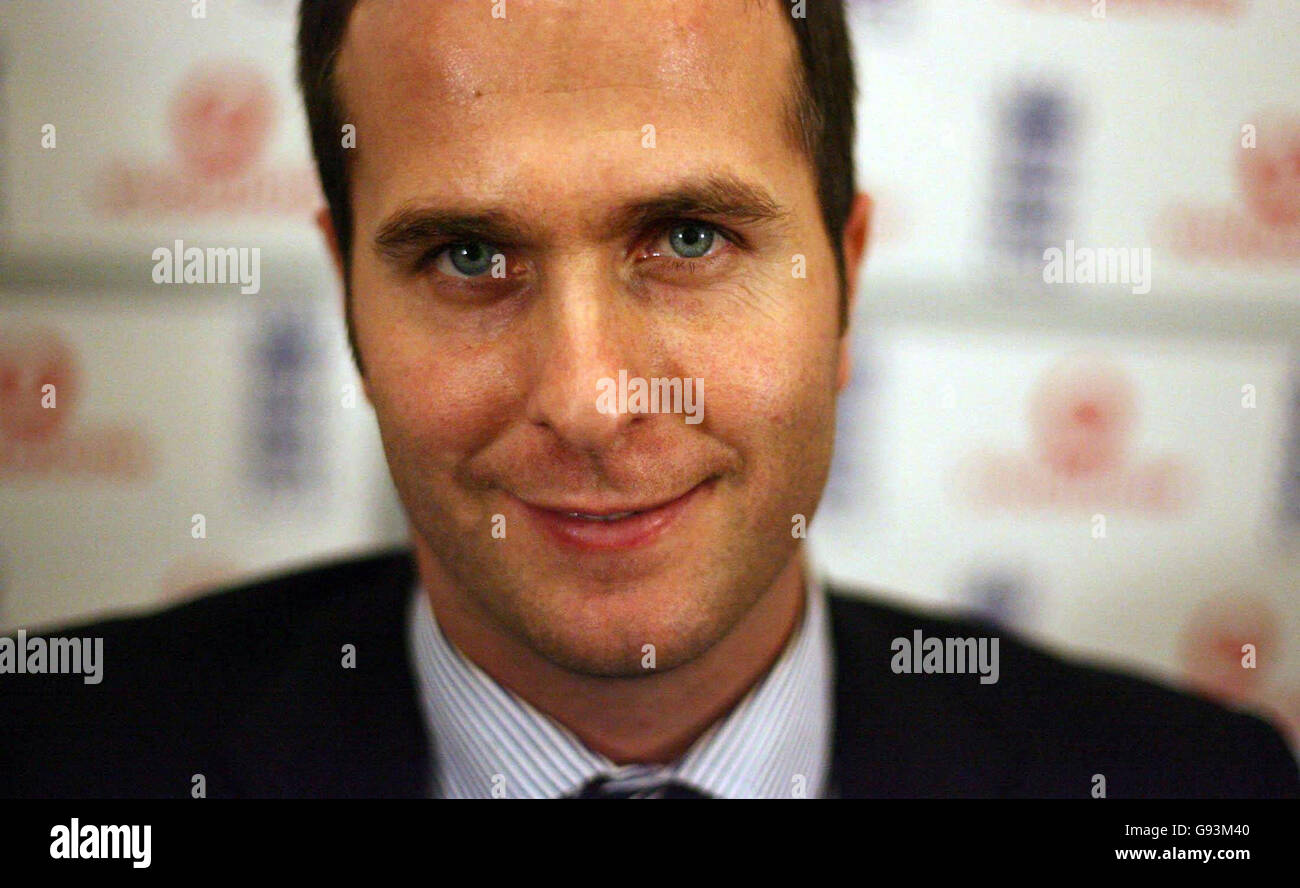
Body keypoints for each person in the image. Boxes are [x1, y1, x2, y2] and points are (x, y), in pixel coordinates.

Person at [2, 0, 1296, 799]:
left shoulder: (1193, 794)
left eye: (685, 238)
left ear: (844, 274)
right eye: (467, 257)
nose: (589, 397)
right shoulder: (51, 756)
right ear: (346, 299)